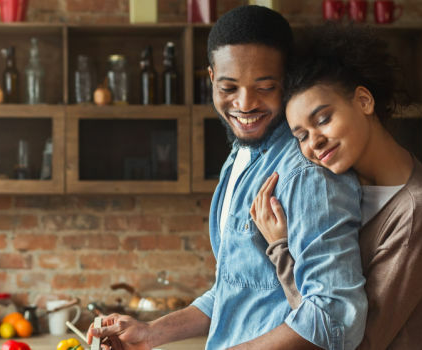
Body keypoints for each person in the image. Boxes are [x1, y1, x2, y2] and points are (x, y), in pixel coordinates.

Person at [88, 6, 367, 350]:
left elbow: (335, 322)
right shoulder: (242, 155)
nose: (245, 104)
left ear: (287, 80)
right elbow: (239, 287)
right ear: (211, 79)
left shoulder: (308, 173)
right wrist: (153, 332)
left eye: (265, 87)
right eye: (229, 87)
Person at [250, 24, 422, 349]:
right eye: (301, 136)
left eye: (322, 119)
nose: (314, 143)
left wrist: (281, 249)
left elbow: (344, 339)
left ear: (363, 101)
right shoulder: (345, 192)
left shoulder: (418, 212)